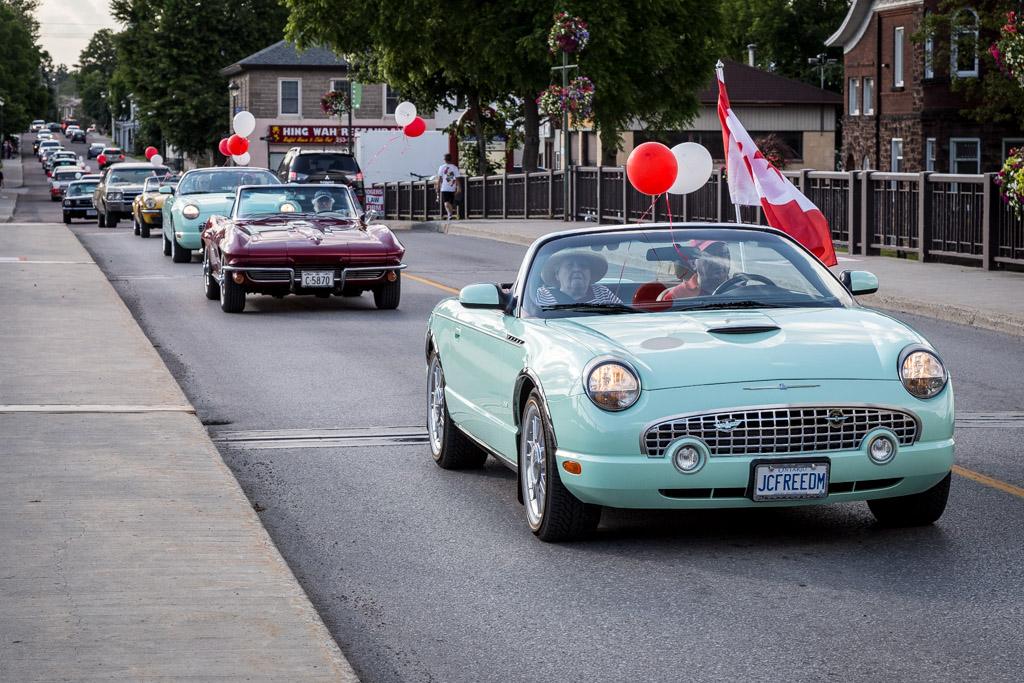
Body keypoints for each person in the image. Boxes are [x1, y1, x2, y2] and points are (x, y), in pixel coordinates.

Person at [536, 249, 622, 306]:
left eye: (583, 266)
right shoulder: (542, 295)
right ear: (557, 275)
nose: (577, 269)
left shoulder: (602, 292)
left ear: (590, 275)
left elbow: (622, 316)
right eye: (569, 266)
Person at [659, 241, 732, 301]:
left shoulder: (740, 290)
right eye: (709, 256)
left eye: (722, 254)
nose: (718, 261)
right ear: (693, 263)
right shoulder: (677, 296)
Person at [435, 153, 460, 221]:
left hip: (444, 187)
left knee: (446, 201)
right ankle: (450, 214)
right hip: (452, 187)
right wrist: (459, 188)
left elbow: (440, 179)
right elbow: (457, 179)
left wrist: (437, 187)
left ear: (445, 160)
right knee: (451, 202)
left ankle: (450, 214)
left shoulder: (442, 167)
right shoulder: (454, 167)